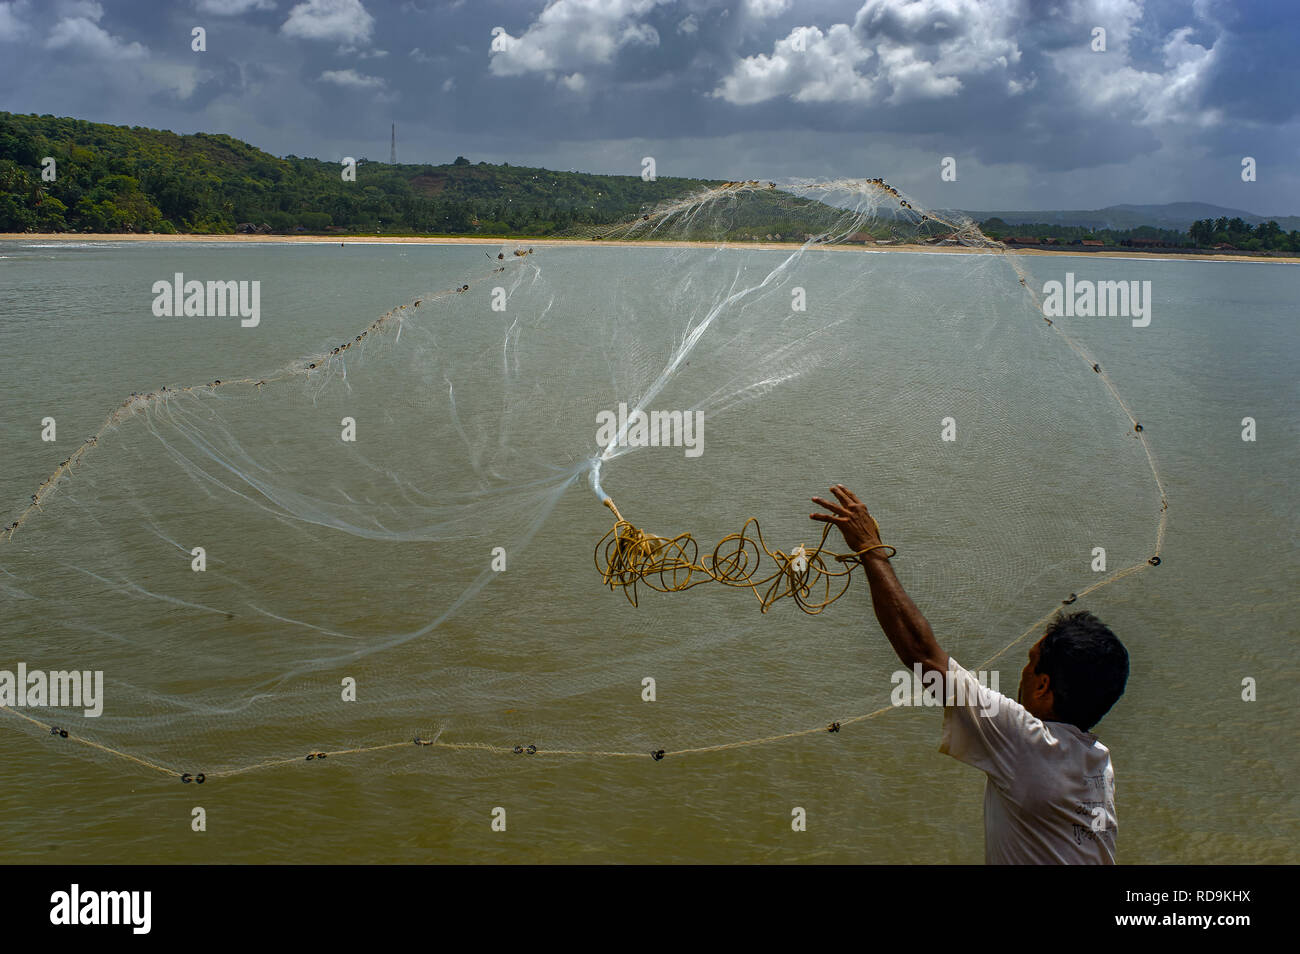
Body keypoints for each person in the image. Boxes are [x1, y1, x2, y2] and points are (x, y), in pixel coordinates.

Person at [810, 484, 1130, 864]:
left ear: (1044, 685)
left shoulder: (1025, 743)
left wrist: (870, 550)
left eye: (1031, 662)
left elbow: (922, 655)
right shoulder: (1099, 764)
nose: (1023, 671)